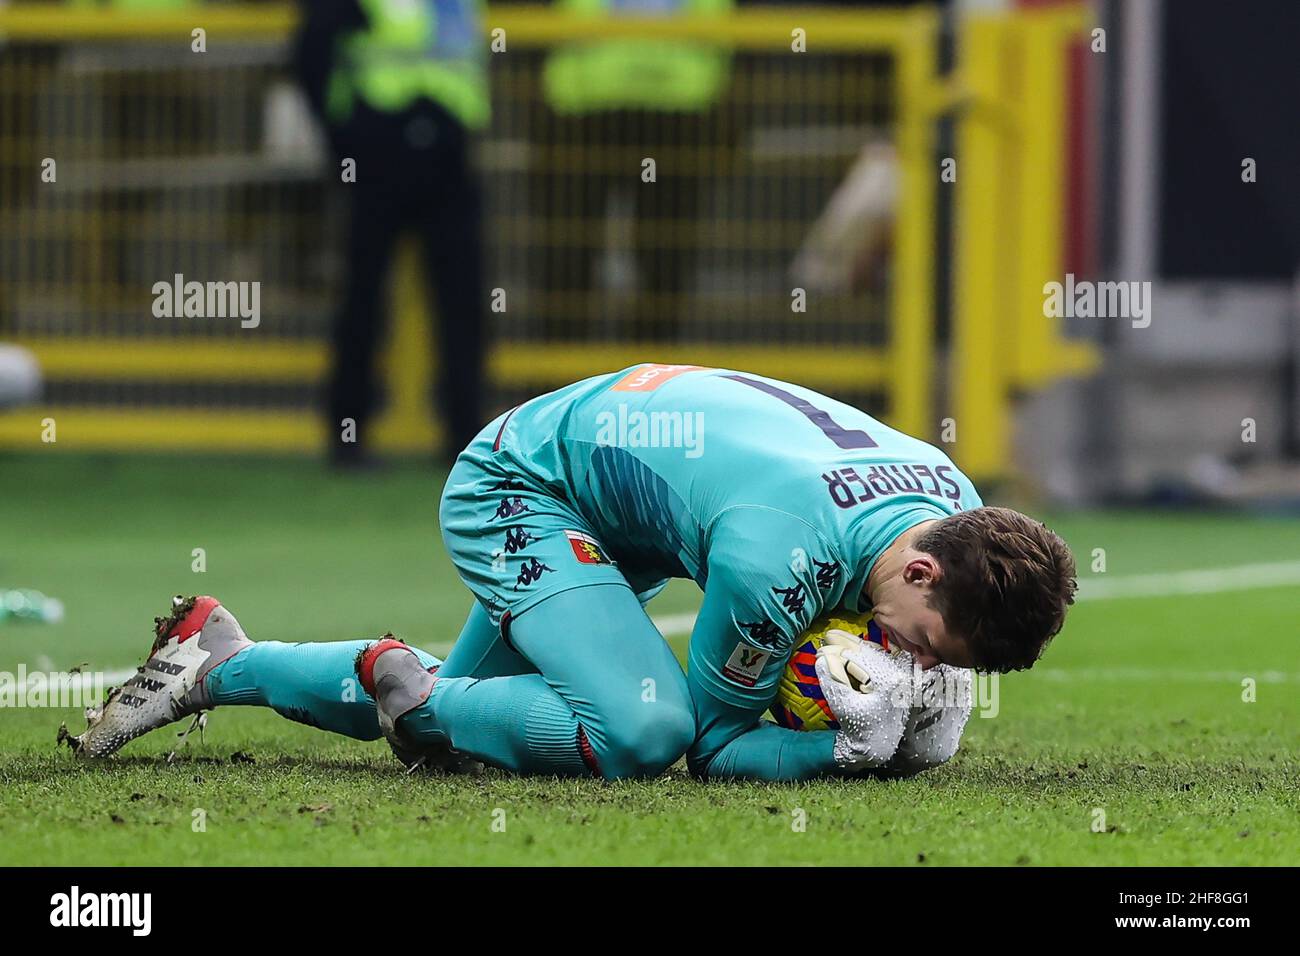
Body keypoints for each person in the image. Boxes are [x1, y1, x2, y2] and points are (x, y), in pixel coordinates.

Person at [63, 364, 1076, 781]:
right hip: (526, 483)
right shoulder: (785, 555)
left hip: (619, 477)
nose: (906, 654)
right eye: (924, 642)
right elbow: (712, 745)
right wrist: (849, 751)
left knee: (473, 724)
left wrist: (923, 693)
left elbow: (888, 602)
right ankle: (395, 680)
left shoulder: (945, 489)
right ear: (927, 563)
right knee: (640, 727)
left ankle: (216, 657)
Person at [294, 0, 490, 466]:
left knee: (461, 303)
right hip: (380, 146)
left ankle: (466, 440)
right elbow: (311, 49)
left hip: (448, 149)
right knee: (364, 299)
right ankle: (347, 436)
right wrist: (341, 138)